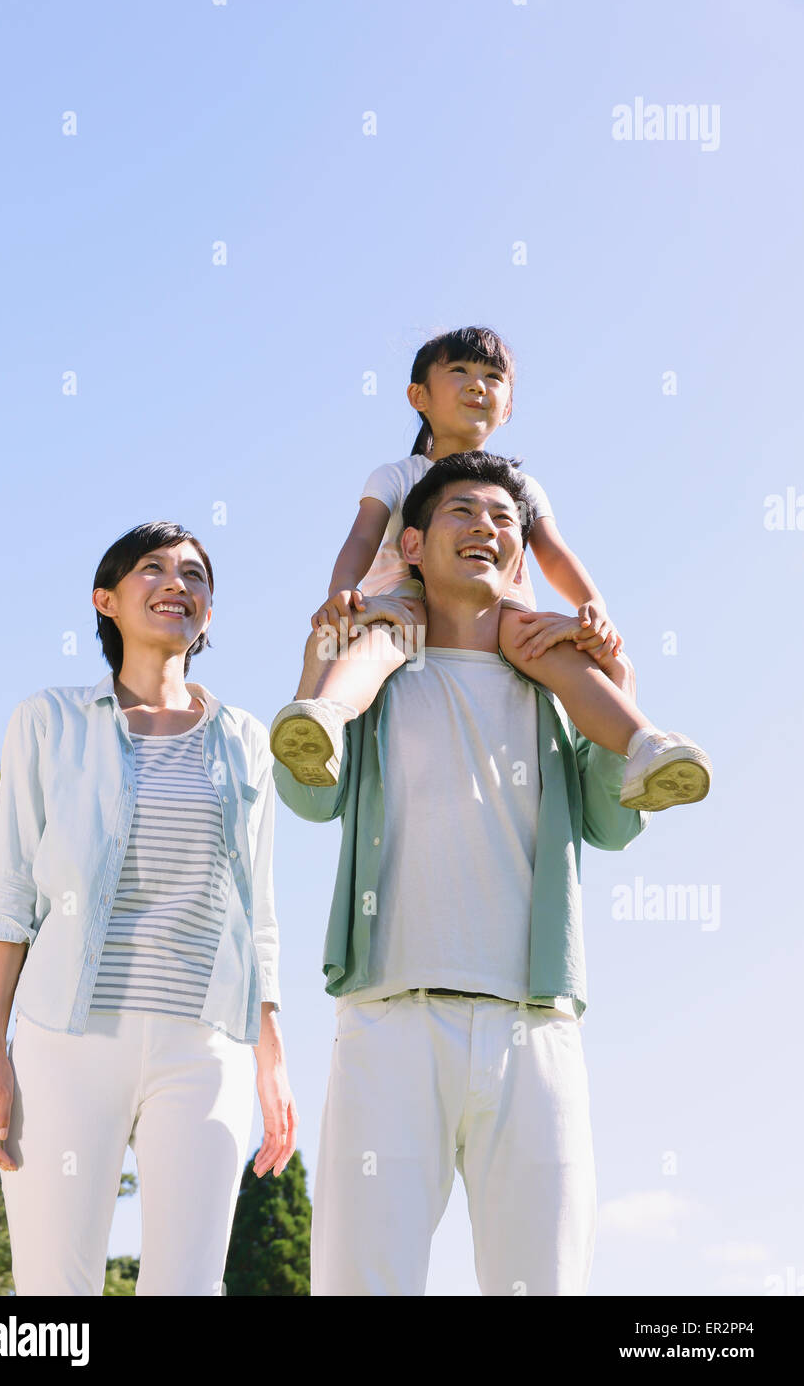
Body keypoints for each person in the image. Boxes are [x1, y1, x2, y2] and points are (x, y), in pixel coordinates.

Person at [273, 451, 654, 1296]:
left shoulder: (556, 686)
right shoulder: (376, 675)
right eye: (463, 512)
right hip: (389, 1018)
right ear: (410, 544)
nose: (486, 527)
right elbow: (309, 802)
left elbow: (611, 826)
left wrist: (617, 690)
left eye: (503, 520)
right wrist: (316, 671)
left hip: (535, 1025)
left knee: (543, 1285)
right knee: (364, 1283)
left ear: (519, 557)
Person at [0, 521, 298, 1297]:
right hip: (66, 1039)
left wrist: (269, 1056)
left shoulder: (244, 740)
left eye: (196, 575)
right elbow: (8, 896)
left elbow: (257, 912)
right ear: (106, 600)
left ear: (209, 613)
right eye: (155, 568)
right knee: (55, 1292)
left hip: (204, 1047)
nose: (180, 583)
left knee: (187, 1288)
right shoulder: (49, 720)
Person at [269, 325, 711, 812]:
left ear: (510, 406)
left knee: (552, 650)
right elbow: (362, 535)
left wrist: (591, 606)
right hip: (405, 598)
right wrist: (343, 591)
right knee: (390, 635)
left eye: (493, 375)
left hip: (499, 609)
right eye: (459, 370)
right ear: (418, 395)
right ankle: (329, 717)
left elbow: (553, 551)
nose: (478, 384)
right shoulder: (398, 474)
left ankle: (644, 745)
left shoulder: (518, 486)